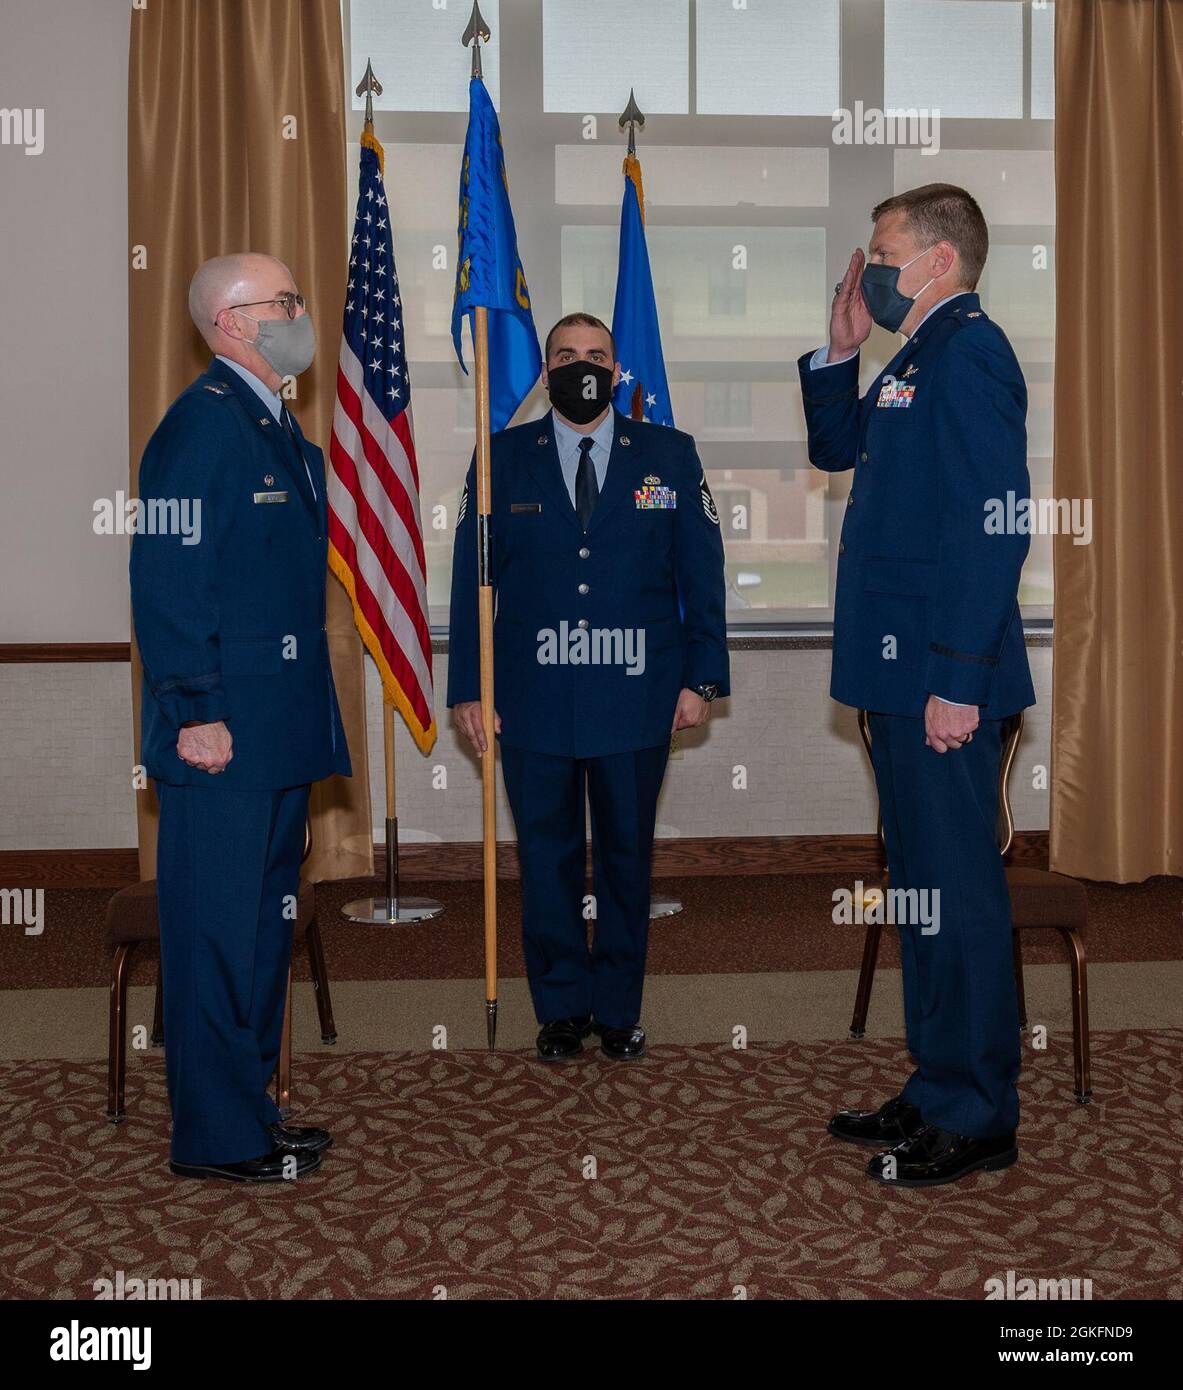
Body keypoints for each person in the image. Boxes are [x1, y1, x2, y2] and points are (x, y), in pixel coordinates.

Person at [798, 185, 1034, 1187]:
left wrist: (955, 681)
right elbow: (834, 449)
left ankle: (981, 1112)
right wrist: (841, 345)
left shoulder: (971, 351)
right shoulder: (916, 353)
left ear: (939, 260)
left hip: (939, 679)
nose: (870, 266)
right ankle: (938, 1082)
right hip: (895, 676)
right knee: (924, 892)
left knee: (960, 895)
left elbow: (996, 525)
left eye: (885, 250)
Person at [448, 313, 729, 1062]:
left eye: (596, 356)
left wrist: (702, 675)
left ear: (615, 369)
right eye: (565, 356)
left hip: (636, 693)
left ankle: (617, 1009)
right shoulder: (502, 457)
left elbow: (699, 573)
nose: (581, 367)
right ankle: (562, 1008)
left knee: (625, 856)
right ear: (544, 372)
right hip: (531, 695)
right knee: (547, 857)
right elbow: (470, 583)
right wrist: (469, 688)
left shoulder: (668, 456)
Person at [130, 252, 350, 1182]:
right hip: (221, 735)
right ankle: (215, 1137)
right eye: (285, 303)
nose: (302, 314)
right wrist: (193, 711)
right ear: (232, 323)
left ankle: (249, 1109)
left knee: (262, 932)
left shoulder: (273, 428)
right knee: (216, 935)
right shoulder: (200, 431)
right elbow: (170, 585)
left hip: (277, 731)